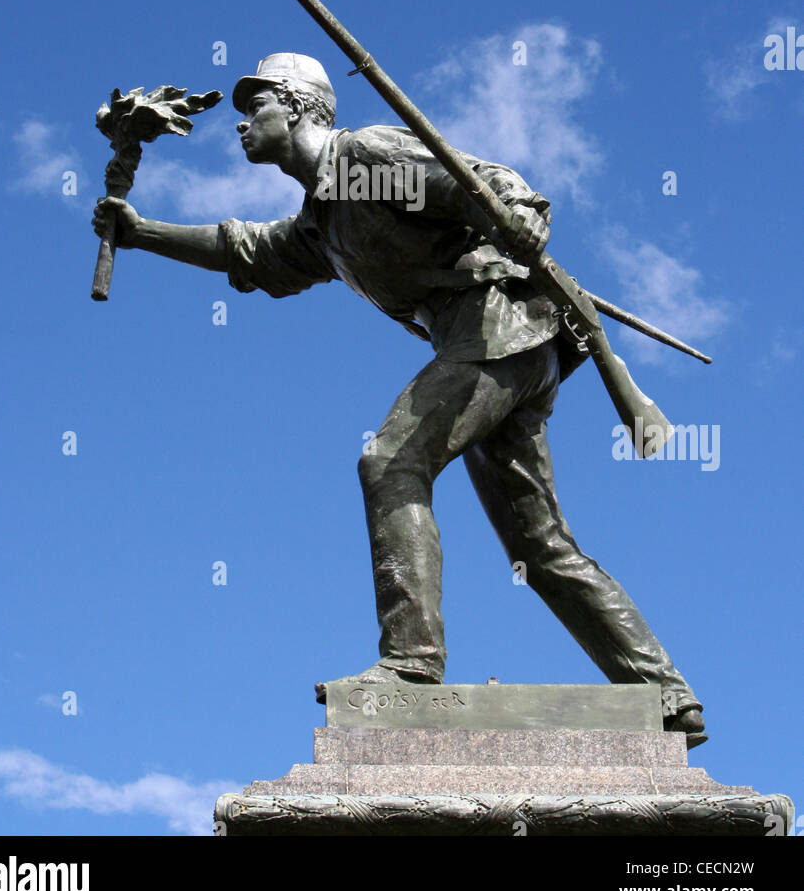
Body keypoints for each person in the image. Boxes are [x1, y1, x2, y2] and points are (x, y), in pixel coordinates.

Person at [93, 52, 707, 747]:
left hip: (498, 329)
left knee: (390, 461)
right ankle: (664, 691)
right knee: (537, 545)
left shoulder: (360, 160)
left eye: (255, 103)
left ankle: (411, 667)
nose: (242, 121)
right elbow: (250, 253)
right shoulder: (323, 225)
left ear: (296, 106)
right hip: (496, 348)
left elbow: (478, 183)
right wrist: (141, 234)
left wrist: (524, 211)